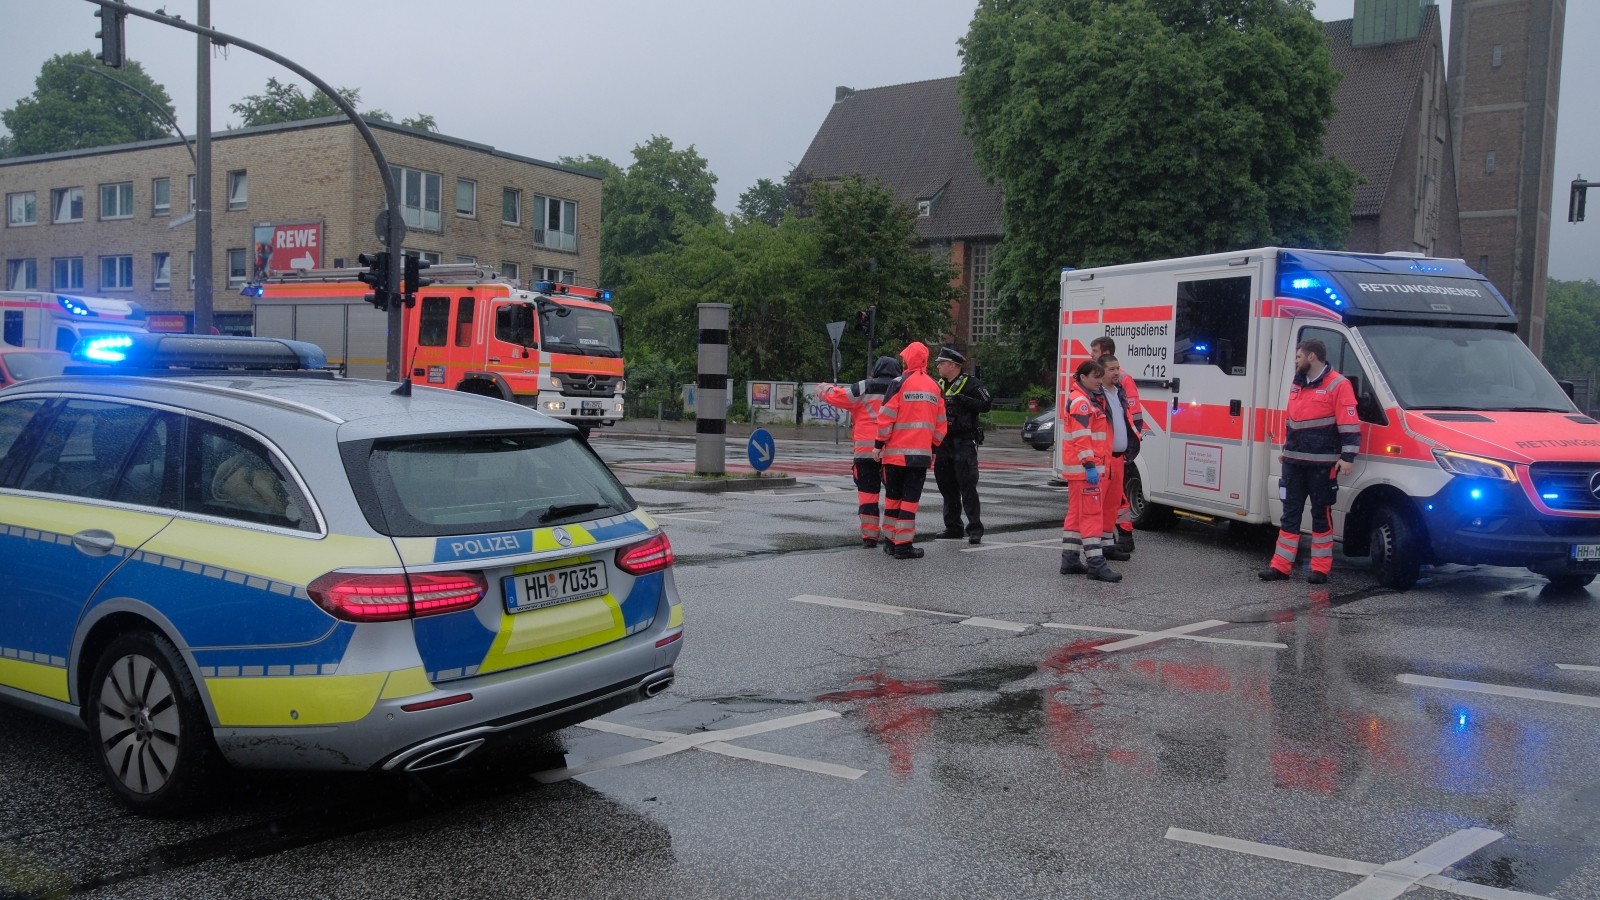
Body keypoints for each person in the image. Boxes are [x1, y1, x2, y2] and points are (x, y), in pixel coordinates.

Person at [1260, 338, 1360, 584]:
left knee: (1320, 514)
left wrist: (1347, 458)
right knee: (1290, 514)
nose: (1296, 361)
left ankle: (1320, 569)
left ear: (1312, 357)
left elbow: (1349, 424)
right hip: (1294, 461)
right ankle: (1280, 566)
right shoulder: (1298, 383)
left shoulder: (1339, 384)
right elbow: (1293, 421)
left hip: (1323, 464)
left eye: (1298, 357)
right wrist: (1287, 448)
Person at [818, 356, 904, 547]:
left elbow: (839, 396)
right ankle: (893, 537)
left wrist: (824, 389)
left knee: (867, 495)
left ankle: (869, 538)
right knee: (894, 496)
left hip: (865, 451)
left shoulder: (864, 386)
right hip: (891, 451)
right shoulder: (901, 387)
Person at [873, 341, 948, 559]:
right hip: (920, 456)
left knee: (893, 499)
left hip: (895, 456)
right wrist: (933, 447)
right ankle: (903, 546)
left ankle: (890, 542)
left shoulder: (898, 383)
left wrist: (879, 444)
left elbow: (886, 417)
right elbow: (941, 425)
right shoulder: (936, 387)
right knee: (910, 501)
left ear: (908, 359)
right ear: (924, 360)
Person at [1060, 359, 1122, 582]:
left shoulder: (1082, 399)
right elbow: (1082, 438)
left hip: (1080, 470)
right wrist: (1090, 466)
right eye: (1096, 377)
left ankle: (1070, 559)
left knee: (1076, 515)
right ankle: (1096, 564)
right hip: (1086, 469)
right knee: (1091, 516)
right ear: (1083, 378)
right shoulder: (1083, 403)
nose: (1099, 381)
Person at [1091, 336, 1146, 553]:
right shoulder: (1097, 381)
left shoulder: (1122, 379)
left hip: (1117, 453)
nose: (1091, 355)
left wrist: (1130, 447)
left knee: (1118, 497)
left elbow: (1134, 414)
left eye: (1094, 351)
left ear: (1105, 352)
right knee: (1112, 498)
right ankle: (1113, 537)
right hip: (1106, 452)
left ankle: (1123, 534)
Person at [932, 346, 993, 544]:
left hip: (964, 442)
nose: (938, 366)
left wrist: (962, 400)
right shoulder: (938, 384)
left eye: (941, 363)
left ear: (953, 365)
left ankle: (975, 528)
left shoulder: (971, 383)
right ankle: (953, 526)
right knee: (946, 486)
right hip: (943, 442)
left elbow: (986, 403)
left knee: (967, 486)